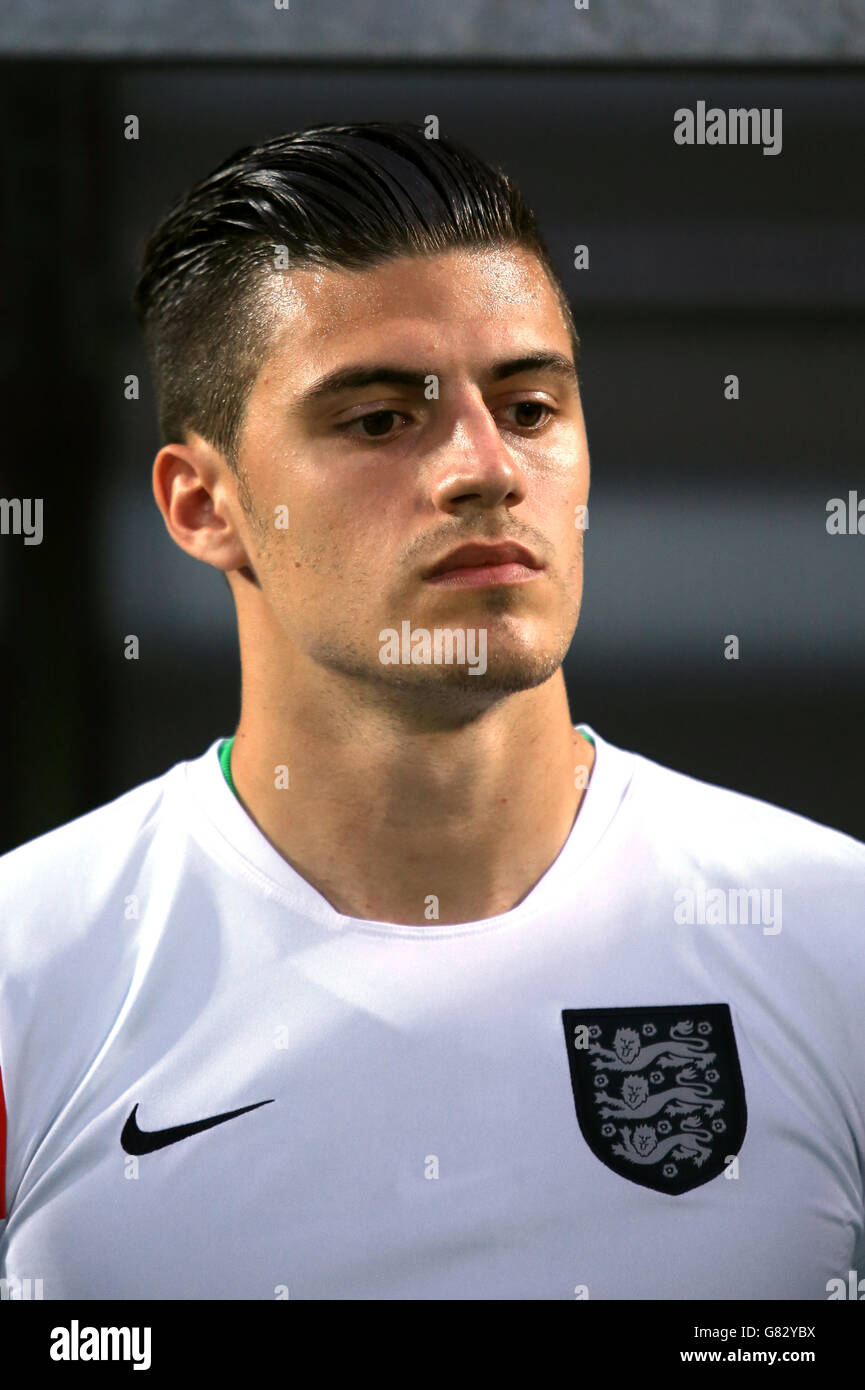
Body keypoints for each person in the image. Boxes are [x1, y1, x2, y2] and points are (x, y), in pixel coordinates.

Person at [0, 122, 862, 1301]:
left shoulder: (834, 940)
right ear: (204, 504)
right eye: (378, 419)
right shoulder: (25, 970)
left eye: (528, 407)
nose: (483, 467)